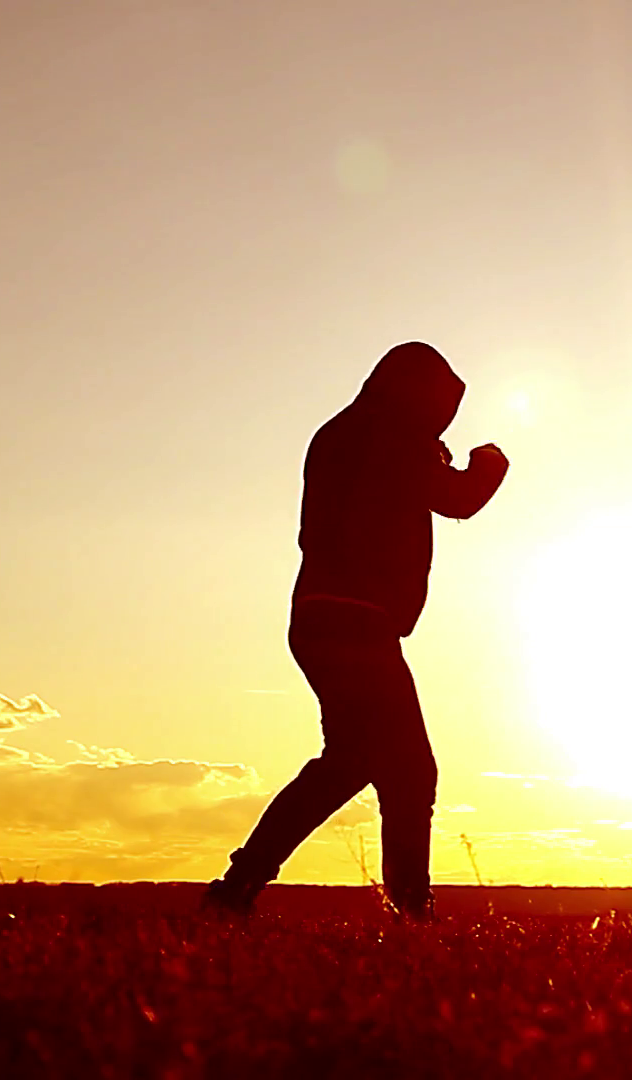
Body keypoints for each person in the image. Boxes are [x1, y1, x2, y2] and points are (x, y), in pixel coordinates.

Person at [204, 342, 509, 919]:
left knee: (350, 762)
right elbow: (457, 500)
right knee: (410, 771)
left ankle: (235, 892)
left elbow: (384, 497)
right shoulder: (388, 435)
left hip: (321, 617)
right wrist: (488, 462)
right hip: (354, 619)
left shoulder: (348, 432)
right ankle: (412, 912)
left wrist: (431, 459)